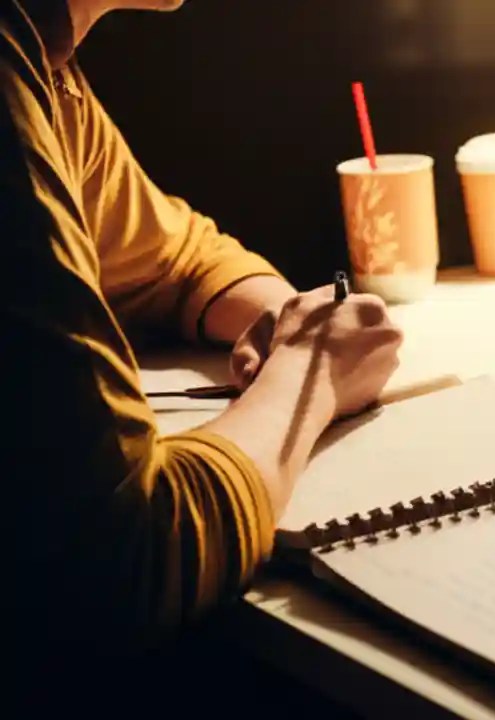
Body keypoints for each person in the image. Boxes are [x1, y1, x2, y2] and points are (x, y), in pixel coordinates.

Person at [0, 0, 403, 688]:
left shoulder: (43, 60)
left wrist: (291, 317)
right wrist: (308, 377)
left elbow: (172, 260)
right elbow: (124, 559)